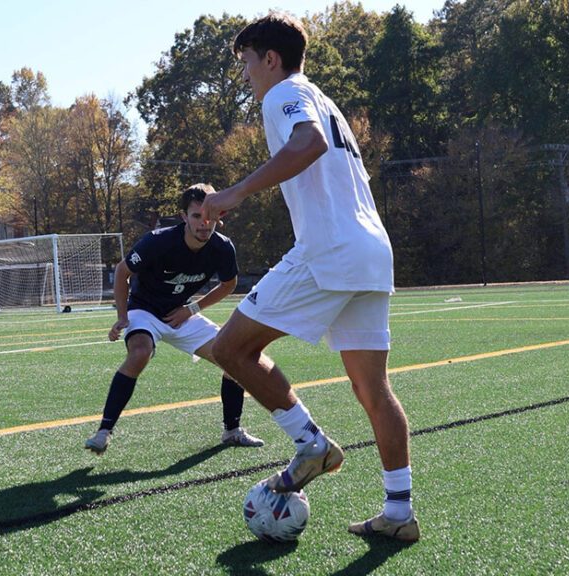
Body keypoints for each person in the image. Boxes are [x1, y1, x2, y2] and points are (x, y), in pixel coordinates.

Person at [200, 13, 419, 541]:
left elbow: (309, 143)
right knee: (373, 388)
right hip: (371, 250)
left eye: (248, 62)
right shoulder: (323, 96)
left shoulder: (283, 95)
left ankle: (310, 443)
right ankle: (399, 511)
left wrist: (232, 194)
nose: (247, 74)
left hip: (330, 251)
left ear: (270, 58)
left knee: (229, 350)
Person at [85, 184, 264, 455]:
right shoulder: (158, 241)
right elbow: (123, 271)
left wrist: (191, 309)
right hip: (145, 310)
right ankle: (104, 432)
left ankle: (232, 431)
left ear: (218, 216)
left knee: (234, 357)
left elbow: (229, 284)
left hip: (181, 314)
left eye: (209, 217)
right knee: (141, 351)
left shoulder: (222, 247)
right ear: (184, 217)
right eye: (196, 216)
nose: (204, 224)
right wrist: (122, 317)